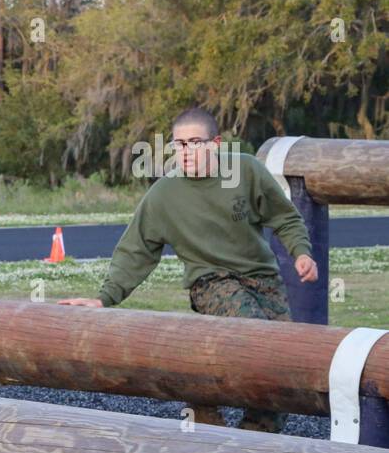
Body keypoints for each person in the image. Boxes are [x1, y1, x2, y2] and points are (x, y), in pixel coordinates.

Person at [58, 107, 318, 432]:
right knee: (255, 339)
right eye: (179, 145)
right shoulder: (164, 195)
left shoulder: (245, 171)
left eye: (195, 142)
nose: (187, 152)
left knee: (282, 369)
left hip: (264, 280)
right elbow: (135, 251)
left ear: (216, 144)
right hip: (210, 282)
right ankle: (203, 401)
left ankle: (240, 436)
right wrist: (104, 298)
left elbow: (285, 217)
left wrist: (301, 253)